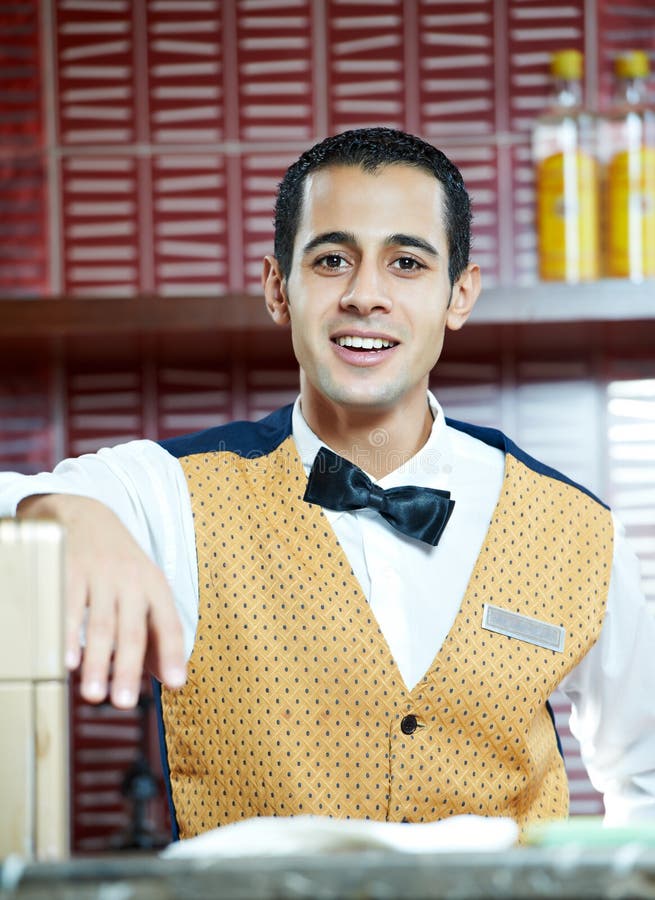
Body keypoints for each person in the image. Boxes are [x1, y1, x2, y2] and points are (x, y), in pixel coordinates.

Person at [1, 127, 654, 839]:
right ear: (278, 290)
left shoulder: (575, 528)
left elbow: (645, 777)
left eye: (405, 262)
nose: (365, 296)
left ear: (458, 296)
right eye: (332, 259)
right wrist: (62, 507)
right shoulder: (171, 495)